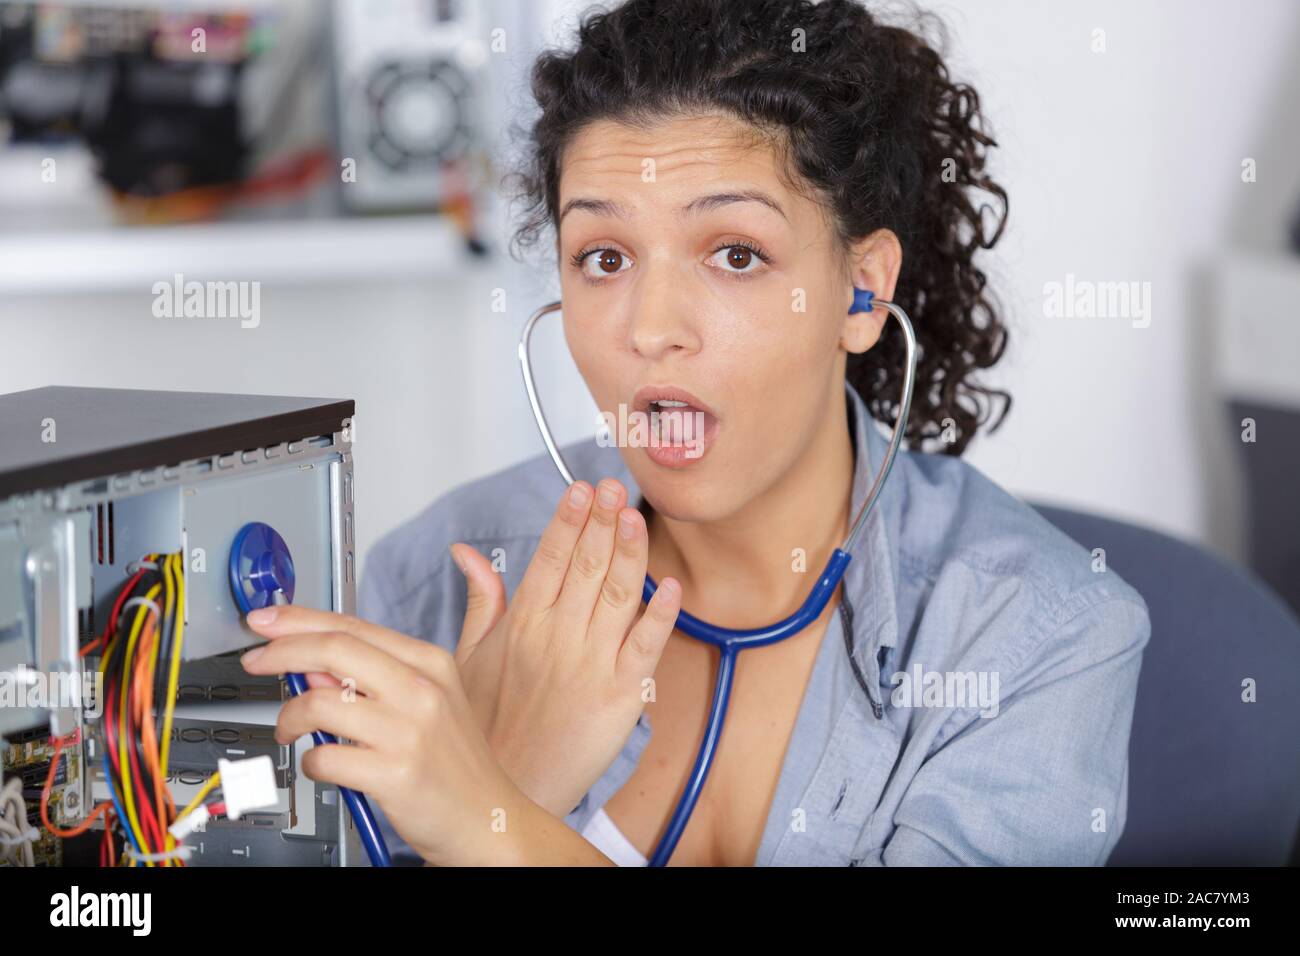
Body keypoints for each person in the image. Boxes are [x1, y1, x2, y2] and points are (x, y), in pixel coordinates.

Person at [241, 0, 1150, 866]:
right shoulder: (441, 574)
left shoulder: (1039, 637)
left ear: (863, 291)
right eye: (604, 258)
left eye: (736, 254)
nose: (650, 327)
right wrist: (511, 775)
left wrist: (493, 818)